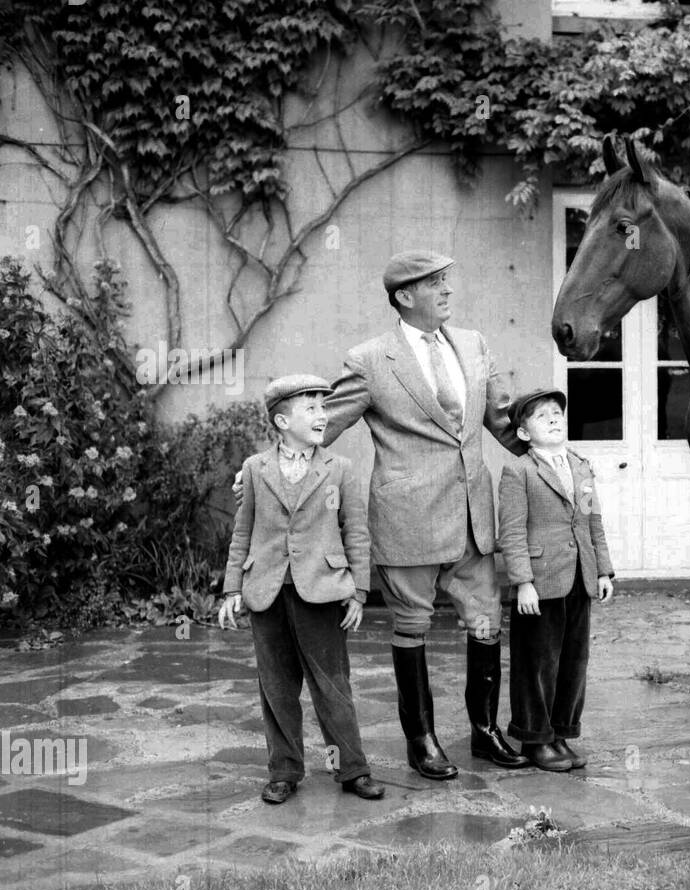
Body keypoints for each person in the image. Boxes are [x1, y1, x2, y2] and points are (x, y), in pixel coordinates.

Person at [234, 250, 533, 779]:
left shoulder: (474, 344)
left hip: (473, 520)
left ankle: (485, 733)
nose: (446, 290)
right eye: (433, 283)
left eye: (447, 280)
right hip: (408, 518)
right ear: (403, 296)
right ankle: (422, 740)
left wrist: (555, 464)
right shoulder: (371, 360)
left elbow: (505, 422)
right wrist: (269, 466)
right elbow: (321, 424)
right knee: (413, 625)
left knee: (486, 622)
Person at [218, 374, 383, 803]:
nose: (321, 416)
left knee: (332, 685)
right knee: (276, 686)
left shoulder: (339, 469)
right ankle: (284, 770)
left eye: (323, 408)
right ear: (281, 420)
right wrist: (232, 588)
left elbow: (357, 532)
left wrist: (359, 591)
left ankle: (352, 769)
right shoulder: (255, 469)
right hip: (266, 590)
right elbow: (243, 530)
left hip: (324, 589)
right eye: (310, 409)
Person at [498, 388, 615, 771]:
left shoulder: (580, 467)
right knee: (538, 662)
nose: (553, 419)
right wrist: (523, 582)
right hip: (541, 581)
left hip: (579, 577)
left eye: (557, 413)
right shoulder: (519, 471)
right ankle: (535, 738)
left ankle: (561, 732)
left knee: (573, 660)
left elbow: (592, 521)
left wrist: (602, 570)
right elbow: (512, 531)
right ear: (525, 433)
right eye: (542, 415)